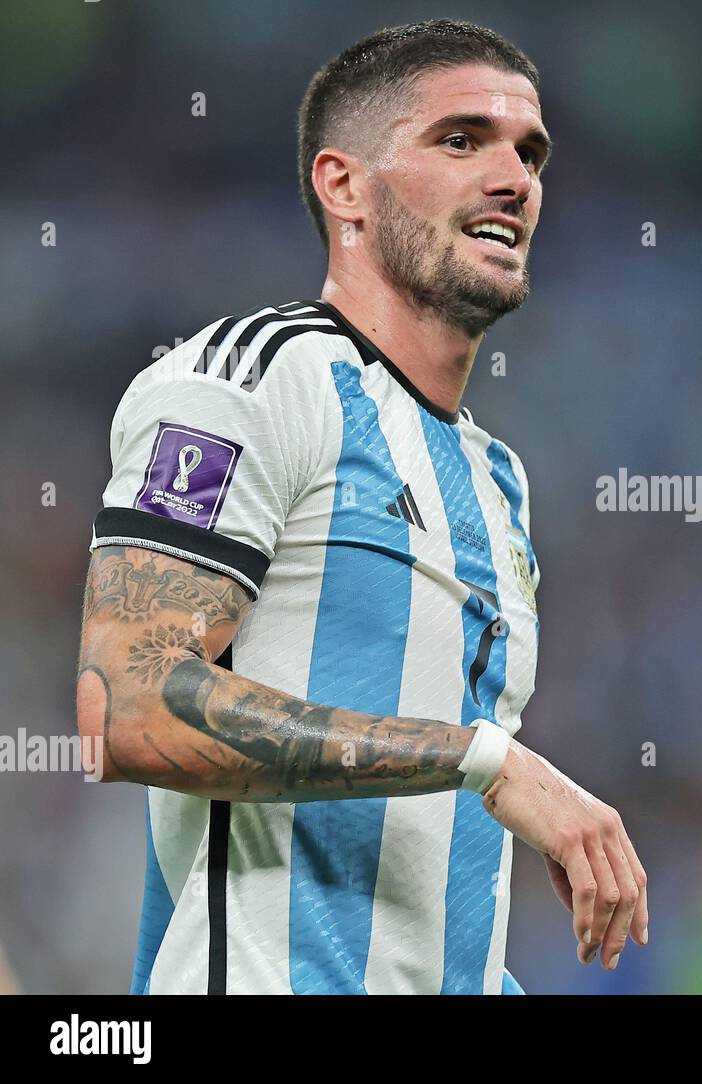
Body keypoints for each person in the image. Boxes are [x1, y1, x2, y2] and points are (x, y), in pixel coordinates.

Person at [75, 18, 647, 995]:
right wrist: (488, 760)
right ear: (342, 186)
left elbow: (429, 854)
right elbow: (126, 705)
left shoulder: (495, 478)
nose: (515, 178)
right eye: (461, 140)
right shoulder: (251, 381)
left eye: (530, 151)